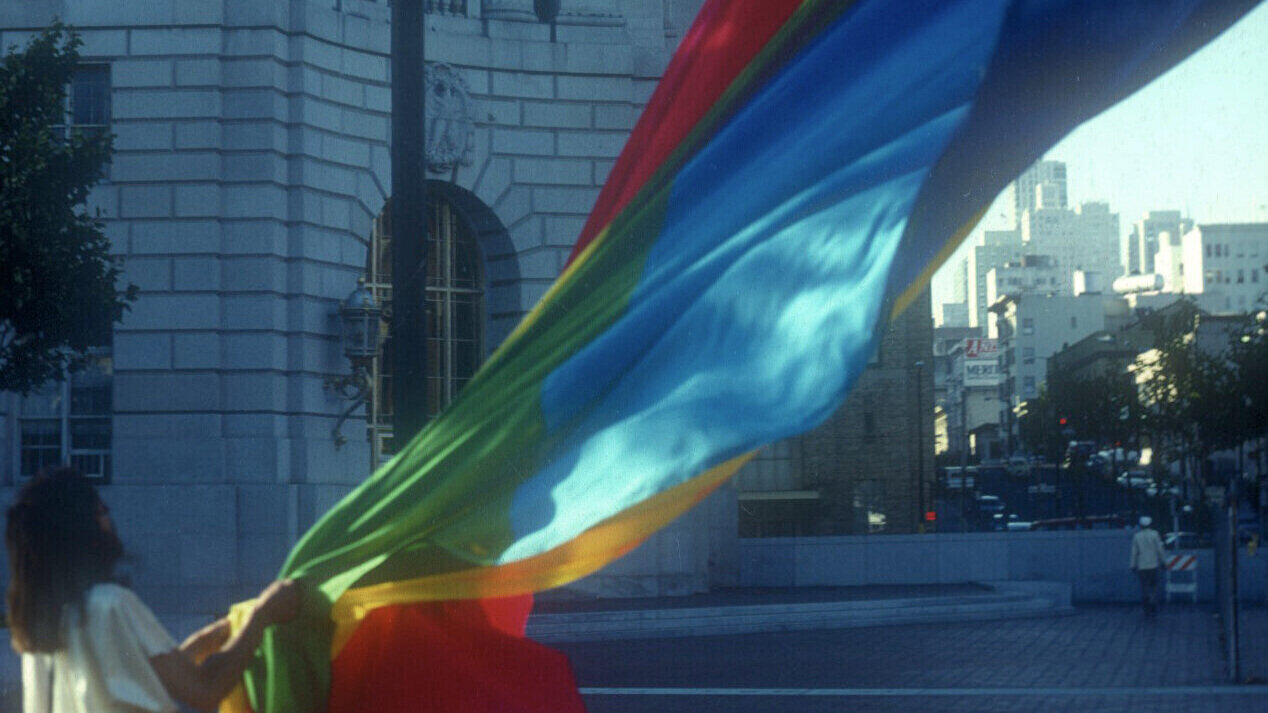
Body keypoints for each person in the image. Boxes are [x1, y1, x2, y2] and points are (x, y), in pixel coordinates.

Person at [6, 467, 301, 712]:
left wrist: (204, 642)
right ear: (79, 529)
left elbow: (134, 682)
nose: (109, 521)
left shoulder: (39, 627)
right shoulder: (110, 604)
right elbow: (204, 691)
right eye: (101, 512)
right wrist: (262, 615)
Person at [1129, 515, 1167, 617]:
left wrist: (1133, 565)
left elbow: (1134, 552)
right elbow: (1160, 549)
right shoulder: (1155, 534)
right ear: (1150, 524)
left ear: (1141, 525)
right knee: (1153, 586)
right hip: (1153, 565)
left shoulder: (1137, 536)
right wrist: (1163, 562)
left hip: (1142, 566)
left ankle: (1146, 606)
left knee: (1144, 587)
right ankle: (1153, 603)